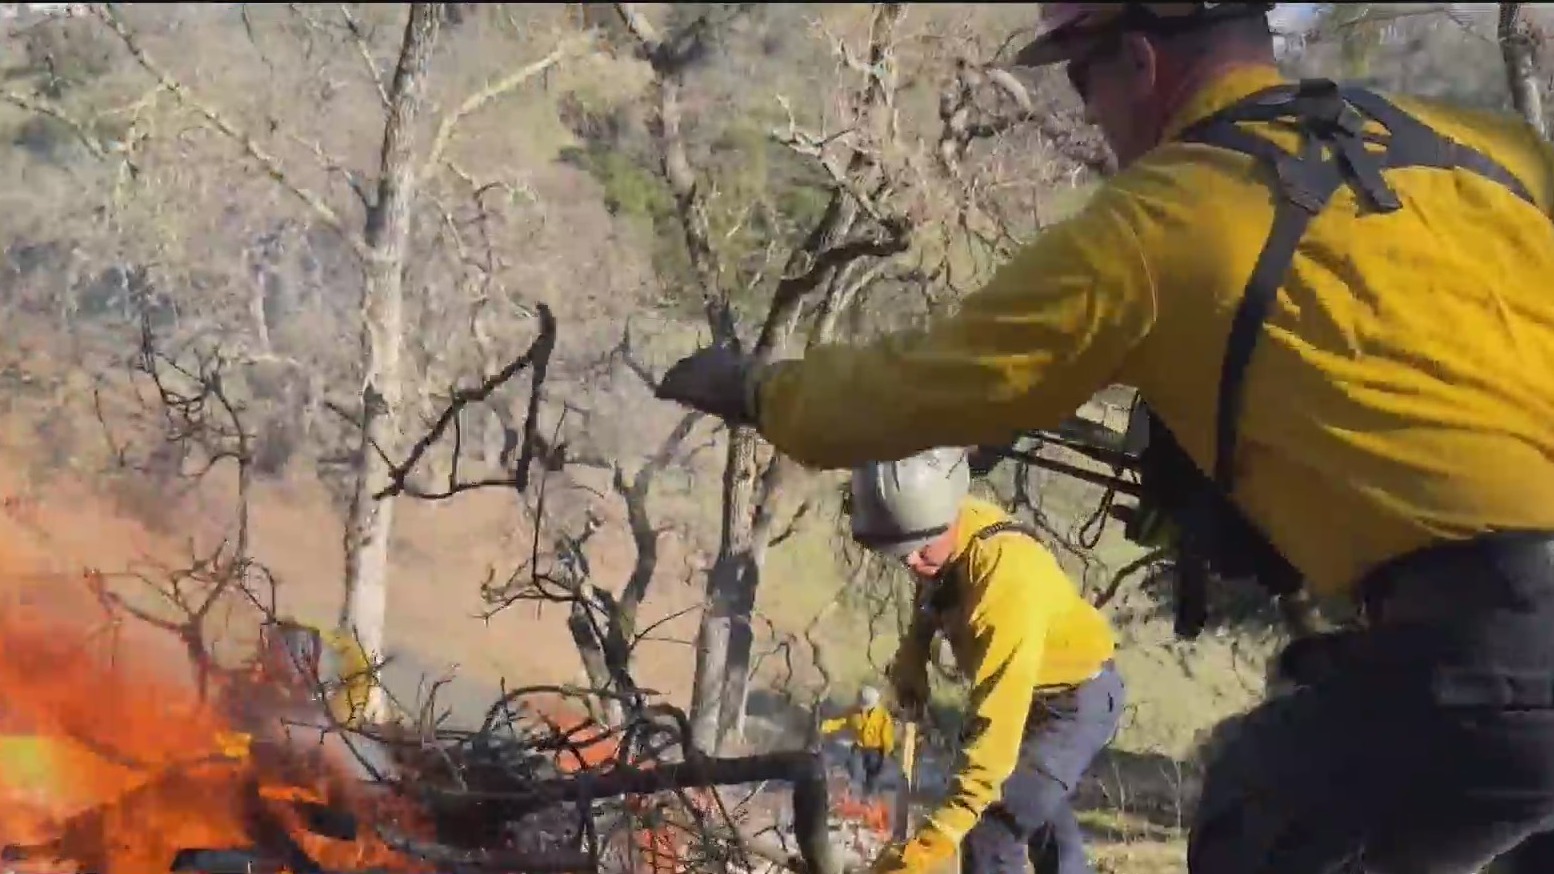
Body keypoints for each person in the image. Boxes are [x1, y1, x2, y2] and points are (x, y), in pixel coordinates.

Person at [652, 3, 1554, 872]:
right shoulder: (1486, 147)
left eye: (1083, 82)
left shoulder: (1159, 222)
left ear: (1139, 63)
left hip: (1499, 648)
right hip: (1498, 643)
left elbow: (925, 383)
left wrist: (764, 393)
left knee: (1259, 815)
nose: (1092, 114)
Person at [853, 447, 1122, 874]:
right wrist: (913, 656)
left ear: (946, 519)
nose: (911, 563)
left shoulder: (1004, 585)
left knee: (990, 823)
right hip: (1034, 691)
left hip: (1074, 702)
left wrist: (935, 840)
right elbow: (934, 590)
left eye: (919, 549)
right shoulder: (942, 525)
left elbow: (995, 730)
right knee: (1032, 805)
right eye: (900, 552)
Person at [821, 685, 897, 798]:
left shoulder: (884, 716)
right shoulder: (853, 711)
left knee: (872, 776)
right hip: (859, 747)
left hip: (876, 750)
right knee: (855, 772)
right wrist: (824, 726)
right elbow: (841, 721)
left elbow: (887, 737)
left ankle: (868, 798)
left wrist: (886, 753)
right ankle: (854, 798)